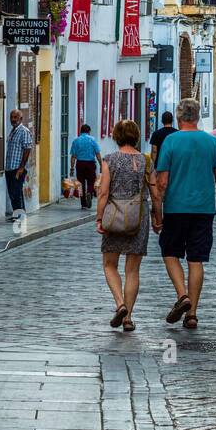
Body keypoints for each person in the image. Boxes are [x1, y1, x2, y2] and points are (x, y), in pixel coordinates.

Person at [153, 97, 216, 330]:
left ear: (178, 116)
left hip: (176, 208)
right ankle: (192, 313)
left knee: (170, 252)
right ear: (197, 116)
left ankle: (182, 294)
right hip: (204, 209)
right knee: (196, 260)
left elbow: (162, 182)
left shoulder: (171, 142)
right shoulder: (211, 142)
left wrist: (158, 212)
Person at [97, 120, 152, 333]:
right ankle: (128, 317)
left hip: (115, 217)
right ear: (136, 136)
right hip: (138, 216)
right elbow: (155, 191)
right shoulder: (145, 160)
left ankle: (120, 303)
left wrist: (99, 218)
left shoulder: (110, 160)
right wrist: (158, 217)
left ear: (116, 137)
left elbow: (103, 192)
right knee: (132, 270)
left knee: (110, 264)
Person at [3, 109, 34, 222]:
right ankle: (17, 214)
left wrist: (21, 167)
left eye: (16, 117)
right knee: (12, 192)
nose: (13, 119)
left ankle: (20, 216)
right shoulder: (13, 131)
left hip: (17, 168)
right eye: (12, 117)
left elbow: (27, 149)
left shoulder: (23, 131)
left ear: (21, 119)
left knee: (16, 191)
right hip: (10, 167)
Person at [68, 124, 102, 209]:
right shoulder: (92, 140)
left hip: (80, 164)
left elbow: (73, 156)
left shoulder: (76, 141)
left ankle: (83, 204)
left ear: (81, 131)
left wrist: (72, 168)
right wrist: (101, 164)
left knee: (81, 183)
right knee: (91, 180)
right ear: (89, 131)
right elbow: (98, 153)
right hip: (90, 163)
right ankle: (89, 192)